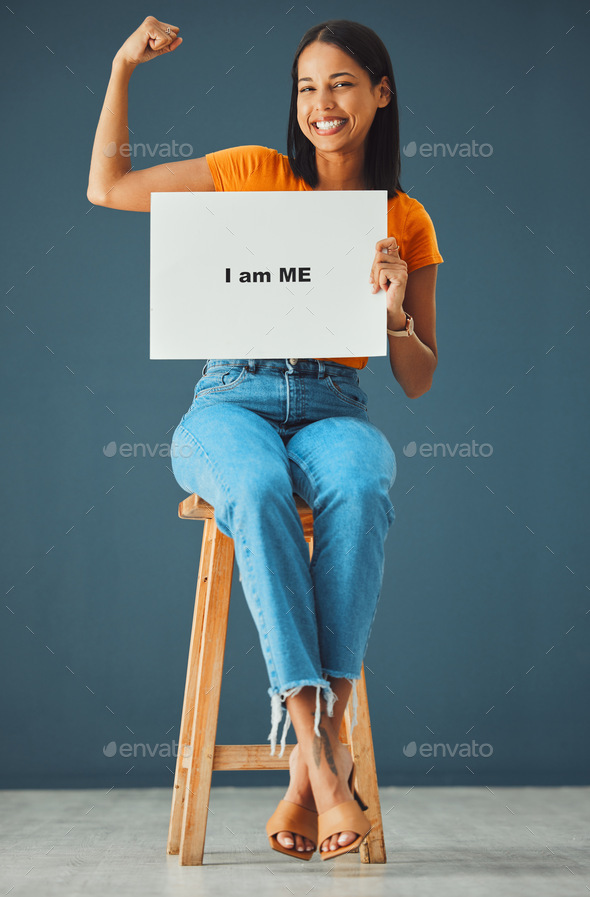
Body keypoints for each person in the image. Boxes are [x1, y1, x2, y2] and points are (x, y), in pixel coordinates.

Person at [87, 16, 443, 861]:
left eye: (343, 84)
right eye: (307, 87)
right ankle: (324, 761)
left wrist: (393, 313)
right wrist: (120, 69)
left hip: (333, 405)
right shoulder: (253, 171)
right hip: (229, 400)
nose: (323, 103)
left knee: (362, 480)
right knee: (254, 487)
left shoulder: (405, 214)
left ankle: (302, 774)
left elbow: (420, 375)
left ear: (380, 94)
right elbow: (107, 188)